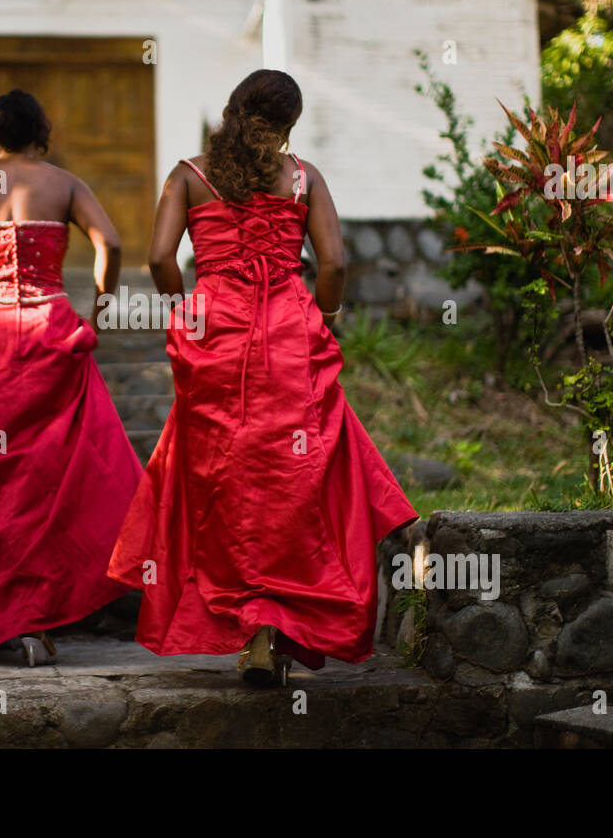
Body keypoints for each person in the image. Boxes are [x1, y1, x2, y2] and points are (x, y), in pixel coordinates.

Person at [107, 69, 418, 684]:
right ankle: (275, 621)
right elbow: (333, 262)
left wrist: (182, 307)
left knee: (217, 474)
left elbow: (158, 257)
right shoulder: (303, 178)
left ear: (231, 110)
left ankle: (243, 619)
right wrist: (325, 315)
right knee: (295, 476)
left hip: (214, 329)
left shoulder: (188, 175)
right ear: (289, 125)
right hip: (289, 330)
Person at [0, 89, 142, 666]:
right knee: (50, 479)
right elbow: (110, 242)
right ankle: (39, 618)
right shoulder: (65, 183)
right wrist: (101, 309)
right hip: (51, 330)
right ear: (41, 133)